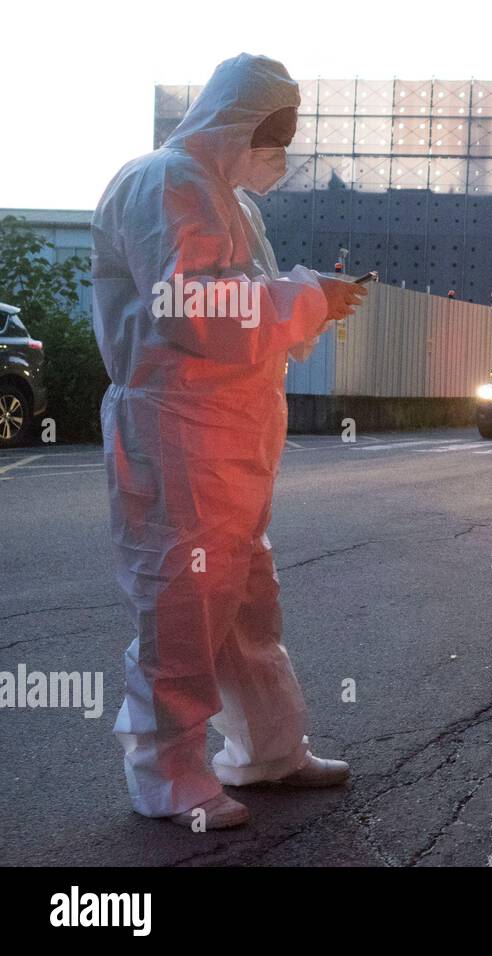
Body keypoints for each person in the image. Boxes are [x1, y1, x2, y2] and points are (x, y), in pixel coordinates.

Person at [91, 53, 367, 829]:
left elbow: (245, 309)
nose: (282, 145)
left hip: (223, 441)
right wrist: (309, 297)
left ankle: (269, 752)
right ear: (237, 120)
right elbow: (195, 308)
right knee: (181, 607)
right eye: (273, 130)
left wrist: (312, 303)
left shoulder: (228, 200)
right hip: (175, 437)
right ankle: (167, 776)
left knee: (245, 602)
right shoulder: (164, 182)